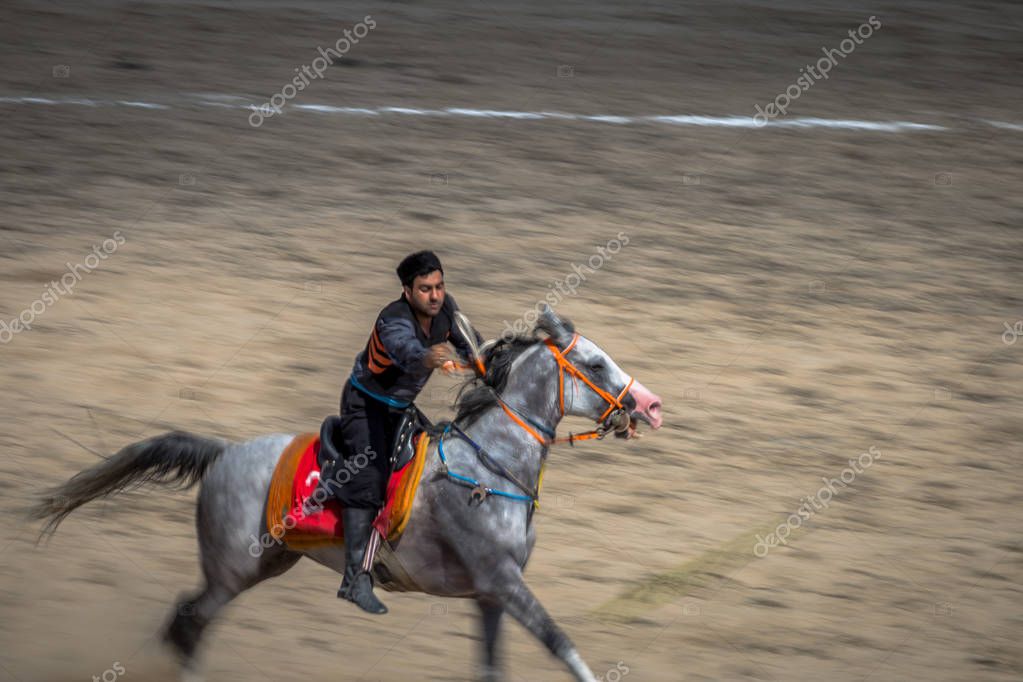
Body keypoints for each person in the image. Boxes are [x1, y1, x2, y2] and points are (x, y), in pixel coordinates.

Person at [314, 250, 482, 614]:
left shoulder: (446, 309)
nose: (435, 296)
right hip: (366, 404)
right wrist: (434, 357)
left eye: (439, 286)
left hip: (402, 408)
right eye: (425, 289)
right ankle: (355, 579)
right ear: (407, 291)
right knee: (371, 484)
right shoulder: (392, 321)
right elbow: (407, 353)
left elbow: (473, 345)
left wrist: (485, 362)